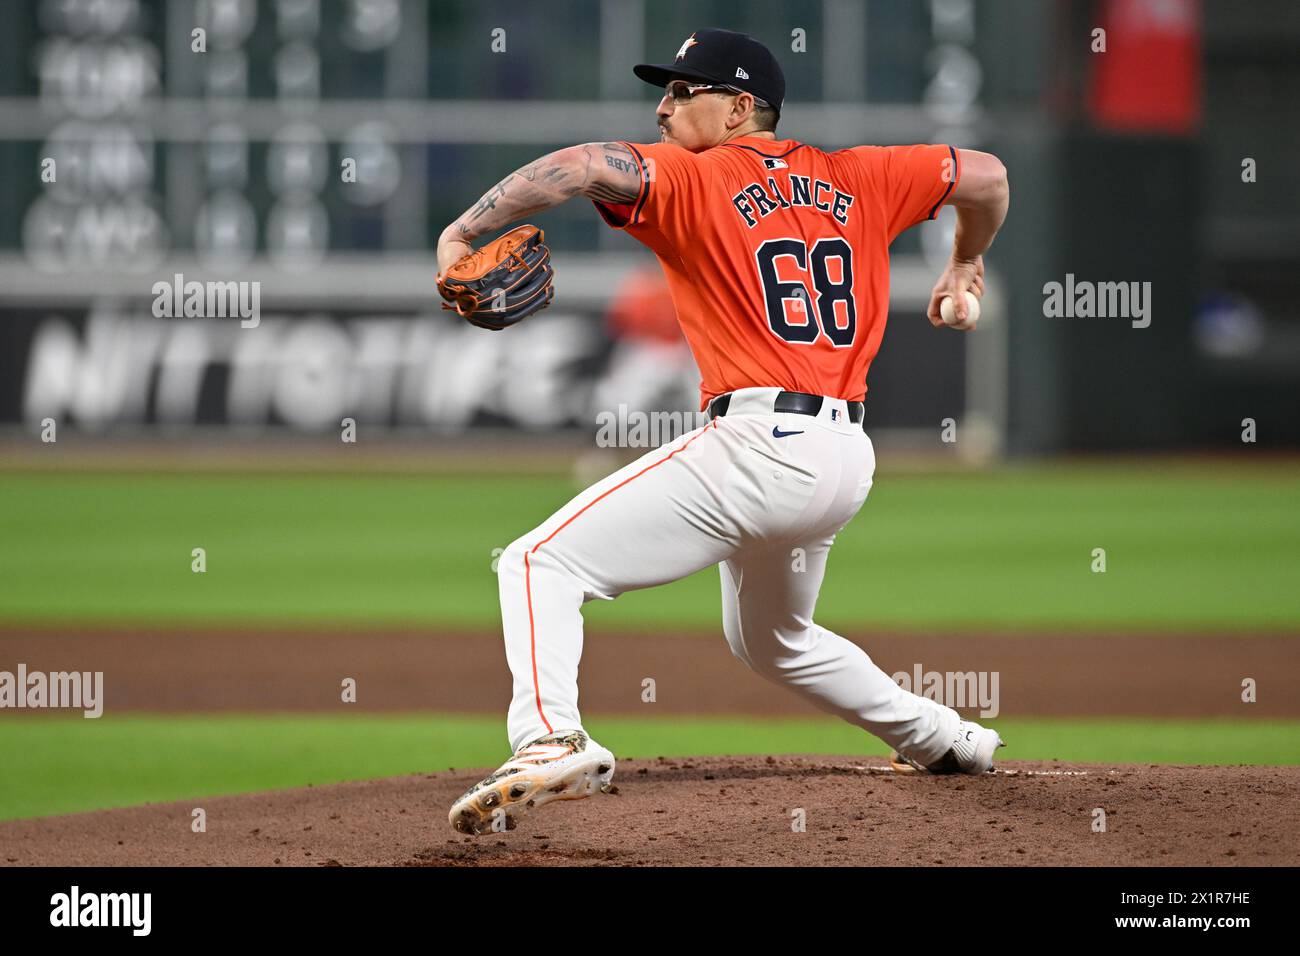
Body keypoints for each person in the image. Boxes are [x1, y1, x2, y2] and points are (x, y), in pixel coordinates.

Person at [436, 28, 1011, 835]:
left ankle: (546, 739)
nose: (663, 106)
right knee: (774, 640)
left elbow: (575, 167)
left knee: (539, 561)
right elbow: (985, 176)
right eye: (664, 91)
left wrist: (460, 233)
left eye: (683, 91)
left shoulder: (690, 179)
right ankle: (944, 739)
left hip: (759, 447)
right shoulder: (864, 174)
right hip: (845, 457)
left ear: (742, 107)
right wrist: (965, 261)